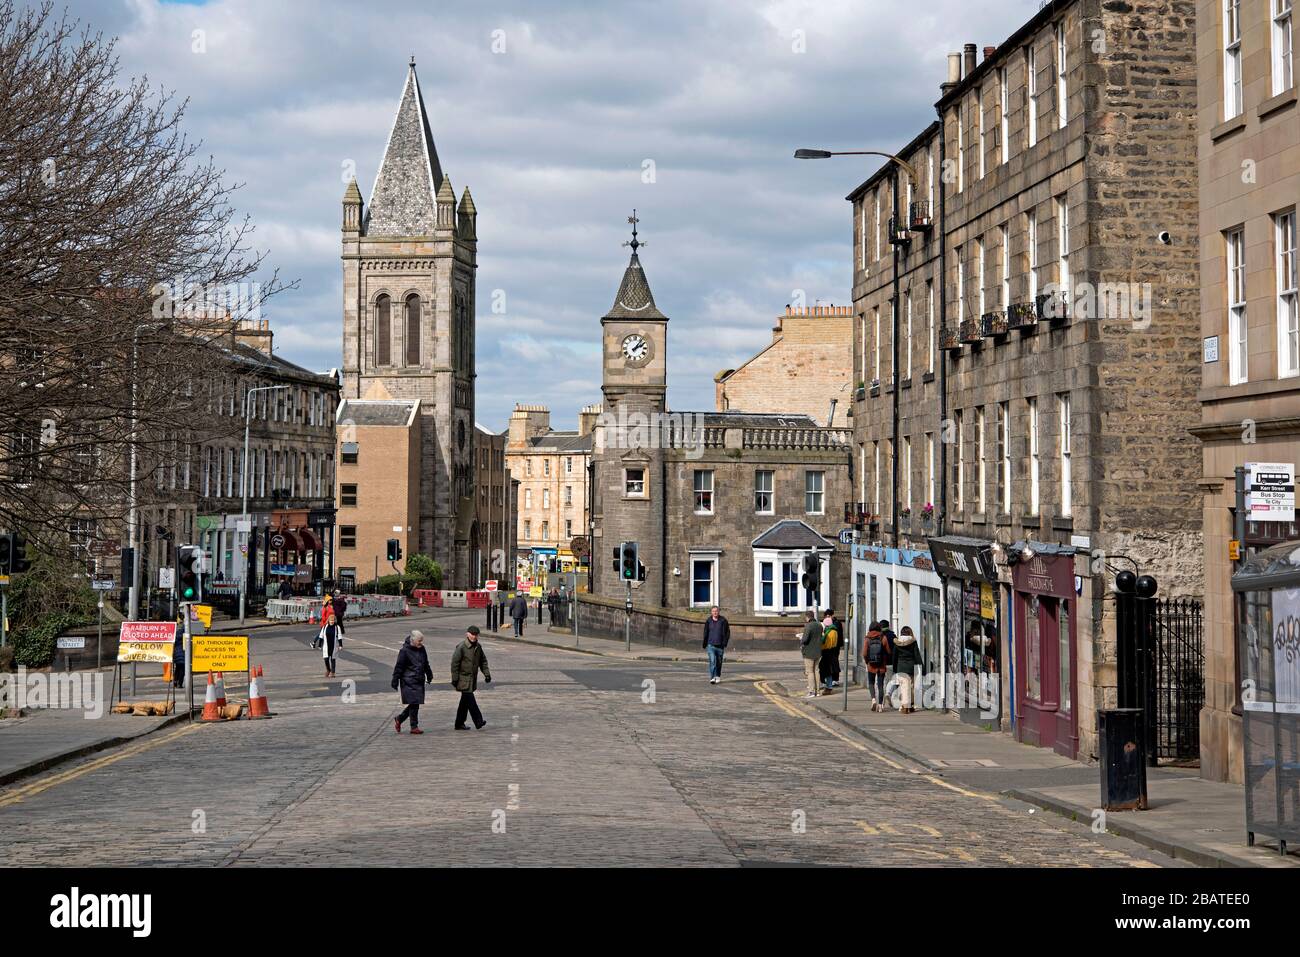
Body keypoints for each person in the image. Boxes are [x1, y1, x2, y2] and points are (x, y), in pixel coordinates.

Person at [392, 630, 433, 734]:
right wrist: (395, 680)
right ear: (413, 640)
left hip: (419, 679)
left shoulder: (422, 649)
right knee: (415, 703)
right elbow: (399, 667)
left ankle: (400, 719)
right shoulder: (404, 651)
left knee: (415, 703)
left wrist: (429, 674)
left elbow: (425, 663)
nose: (421, 643)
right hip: (408, 680)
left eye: (422, 641)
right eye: (419, 641)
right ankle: (414, 726)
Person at [451, 625, 492, 730]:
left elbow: (483, 661)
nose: (474, 637)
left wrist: (487, 674)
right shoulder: (461, 647)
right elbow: (454, 664)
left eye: (476, 635)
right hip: (463, 679)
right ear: (467, 634)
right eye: (472, 634)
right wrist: (455, 679)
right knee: (470, 699)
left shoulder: (478, 647)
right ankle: (478, 721)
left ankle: (459, 723)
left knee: (464, 702)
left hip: (472, 679)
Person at [891, 625, 922, 713]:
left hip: (901, 667)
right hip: (911, 667)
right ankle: (911, 705)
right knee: (911, 687)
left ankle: (905, 706)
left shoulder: (897, 643)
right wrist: (921, 666)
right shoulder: (913, 642)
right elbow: (917, 655)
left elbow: (894, 657)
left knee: (904, 687)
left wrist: (894, 668)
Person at [865, 620, 892, 712]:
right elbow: (888, 651)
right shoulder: (883, 637)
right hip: (881, 665)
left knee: (871, 683)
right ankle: (880, 705)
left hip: (871, 665)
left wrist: (867, 661)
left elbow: (864, 653)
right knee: (880, 685)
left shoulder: (867, 638)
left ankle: (873, 700)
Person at [701, 605, 730, 684]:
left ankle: (717, 676)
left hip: (720, 646)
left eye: (716, 611)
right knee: (712, 661)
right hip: (711, 645)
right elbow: (705, 632)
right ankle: (712, 677)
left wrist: (725, 643)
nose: (715, 612)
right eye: (713, 611)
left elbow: (727, 632)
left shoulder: (723, 620)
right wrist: (705, 643)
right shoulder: (708, 621)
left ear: (718, 612)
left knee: (719, 662)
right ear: (711, 612)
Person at [798, 610, 823, 699]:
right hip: (818, 651)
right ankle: (818, 691)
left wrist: (801, 638)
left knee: (810, 672)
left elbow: (805, 640)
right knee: (816, 670)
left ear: (807, 617)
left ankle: (811, 691)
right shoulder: (819, 625)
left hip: (809, 652)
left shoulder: (808, 626)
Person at [318, 599, 341, 678]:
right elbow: (321, 636)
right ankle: (328, 669)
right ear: (329, 620)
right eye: (330, 620)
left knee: (333, 659)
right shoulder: (325, 627)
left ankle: (333, 673)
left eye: (333, 620)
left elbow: (340, 636)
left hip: (334, 645)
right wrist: (319, 645)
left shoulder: (337, 627)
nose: (332, 621)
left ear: (334, 621)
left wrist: (340, 645)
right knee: (326, 659)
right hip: (326, 646)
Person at [819, 609, 840, 694]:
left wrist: (822, 637)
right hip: (832, 652)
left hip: (827, 653)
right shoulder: (835, 631)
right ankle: (828, 686)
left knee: (825, 670)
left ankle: (828, 686)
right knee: (829, 671)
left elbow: (824, 644)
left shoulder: (828, 633)